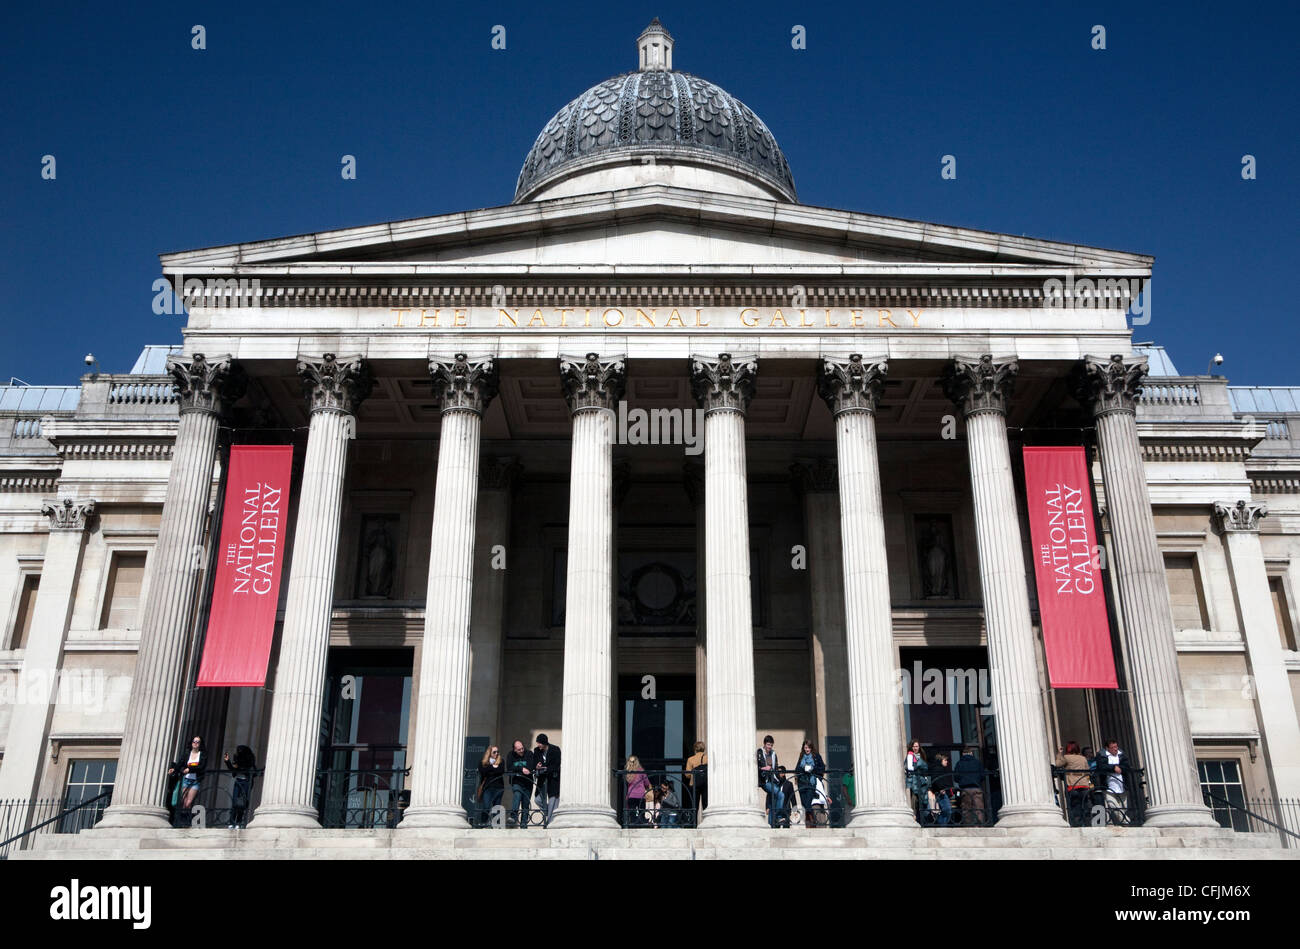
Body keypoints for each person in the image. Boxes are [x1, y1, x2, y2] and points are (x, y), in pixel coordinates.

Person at [1055, 741, 1093, 827]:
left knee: (1075, 807)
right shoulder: (1083, 758)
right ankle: (1087, 824)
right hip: (1084, 786)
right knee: (1085, 806)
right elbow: (1088, 770)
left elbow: (1058, 764)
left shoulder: (1067, 757)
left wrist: (1059, 753)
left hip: (1072, 785)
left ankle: (1077, 825)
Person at [167, 736, 206, 821]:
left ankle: (187, 819)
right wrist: (174, 769)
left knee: (188, 803)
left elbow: (201, 767)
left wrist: (190, 769)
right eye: (194, 741)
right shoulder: (187, 753)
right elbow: (180, 763)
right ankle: (183, 820)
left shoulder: (202, 755)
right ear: (191, 743)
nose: (195, 743)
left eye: (197, 742)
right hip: (186, 779)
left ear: (200, 744)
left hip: (195, 781)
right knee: (183, 802)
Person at [794, 739, 827, 828]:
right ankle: (809, 824)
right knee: (804, 805)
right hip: (802, 783)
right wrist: (804, 768)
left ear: (811, 748)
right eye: (805, 747)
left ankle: (812, 822)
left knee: (808, 804)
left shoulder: (816, 756)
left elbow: (822, 768)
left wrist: (812, 769)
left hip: (811, 783)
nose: (807, 749)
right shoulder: (801, 756)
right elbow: (797, 769)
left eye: (808, 747)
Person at [531, 734, 561, 826]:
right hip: (542, 780)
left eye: (540, 743)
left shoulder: (555, 749)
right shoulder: (536, 751)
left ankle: (550, 824)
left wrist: (546, 769)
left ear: (544, 742)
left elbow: (557, 765)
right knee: (538, 799)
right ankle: (549, 813)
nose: (538, 745)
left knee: (553, 802)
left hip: (553, 779)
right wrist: (537, 766)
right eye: (537, 743)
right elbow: (534, 762)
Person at [223, 745, 256, 829]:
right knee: (234, 802)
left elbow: (250, 771)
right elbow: (234, 770)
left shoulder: (249, 759)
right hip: (238, 781)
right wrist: (227, 762)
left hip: (246, 782)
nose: (238, 752)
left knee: (242, 802)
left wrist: (240, 767)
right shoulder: (237, 758)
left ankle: (239, 822)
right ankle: (232, 822)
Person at [1096, 739, 1129, 822]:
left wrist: (1121, 768)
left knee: (1123, 806)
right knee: (1112, 804)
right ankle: (1126, 821)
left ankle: (1123, 823)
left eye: (1116, 746)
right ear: (1107, 748)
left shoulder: (1122, 755)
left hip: (1122, 785)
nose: (1115, 749)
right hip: (1108, 786)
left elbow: (1127, 766)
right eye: (1112, 747)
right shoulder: (1102, 755)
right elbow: (1101, 767)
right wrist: (1113, 767)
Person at [953, 746, 986, 825]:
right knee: (978, 809)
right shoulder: (977, 762)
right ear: (971, 753)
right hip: (976, 788)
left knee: (966, 810)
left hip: (965, 789)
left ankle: (968, 826)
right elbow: (983, 776)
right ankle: (979, 826)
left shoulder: (959, 763)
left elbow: (956, 777)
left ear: (963, 754)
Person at [756, 735, 783, 828]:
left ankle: (772, 824)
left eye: (771, 745)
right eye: (768, 745)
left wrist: (778, 778)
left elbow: (776, 766)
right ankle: (778, 817)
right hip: (764, 781)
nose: (769, 747)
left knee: (772, 802)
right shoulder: (759, 752)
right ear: (764, 744)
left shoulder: (773, 754)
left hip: (773, 780)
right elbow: (755, 766)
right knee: (781, 795)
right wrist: (764, 768)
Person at [505, 739, 533, 828]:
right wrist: (521, 769)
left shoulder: (529, 754)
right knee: (517, 794)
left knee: (525, 804)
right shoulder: (510, 755)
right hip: (516, 781)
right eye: (519, 749)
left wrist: (519, 768)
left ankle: (524, 824)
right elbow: (509, 767)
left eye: (522, 748)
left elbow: (531, 766)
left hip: (528, 782)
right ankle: (513, 816)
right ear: (515, 750)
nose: (522, 750)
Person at [477, 744, 506, 827]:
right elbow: (483, 771)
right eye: (494, 752)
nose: (496, 753)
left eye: (498, 752)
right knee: (486, 806)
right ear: (489, 753)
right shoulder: (483, 761)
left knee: (497, 808)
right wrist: (493, 767)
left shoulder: (501, 761)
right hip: (487, 788)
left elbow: (501, 770)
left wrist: (490, 769)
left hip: (499, 788)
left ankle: (496, 825)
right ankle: (483, 824)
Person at [905, 739, 932, 820]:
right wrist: (918, 768)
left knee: (923, 800)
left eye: (917, 746)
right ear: (911, 747)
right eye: (913, 746)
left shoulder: (921, 755)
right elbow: (909, 767)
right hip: (914, 781)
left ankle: (924, 819)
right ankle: (915, 818)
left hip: (921, 781)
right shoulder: (910, 754)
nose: (915, 748)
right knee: (915, 799)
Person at [928, 753, 955, 826]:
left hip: (943, 792)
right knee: (947, 809)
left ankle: (942, 825)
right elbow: (936, 780)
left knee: (946, 810)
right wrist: (941, 788)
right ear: (940, 760)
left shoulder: (941, 769)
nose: (947, 762)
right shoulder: (938, 769)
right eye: (945, 760)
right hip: (941, 793)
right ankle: (942, 825)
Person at [624, 755, 651, 826]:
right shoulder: (641, 771)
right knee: (641, 812)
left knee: (632, 813)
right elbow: (647, 783)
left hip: (631, 795)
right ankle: (641, 824)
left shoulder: (628, 772)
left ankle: (633, 825)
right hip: (641, 796)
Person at [685, 740, 708, 814]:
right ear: (704, 748)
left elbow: (687, 775)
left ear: (695, 749)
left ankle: (694, 823)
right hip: (706, 783)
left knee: (694, 806)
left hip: (694, 784)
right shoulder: (707, 758)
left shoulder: (690, 759)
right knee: (706, 804)